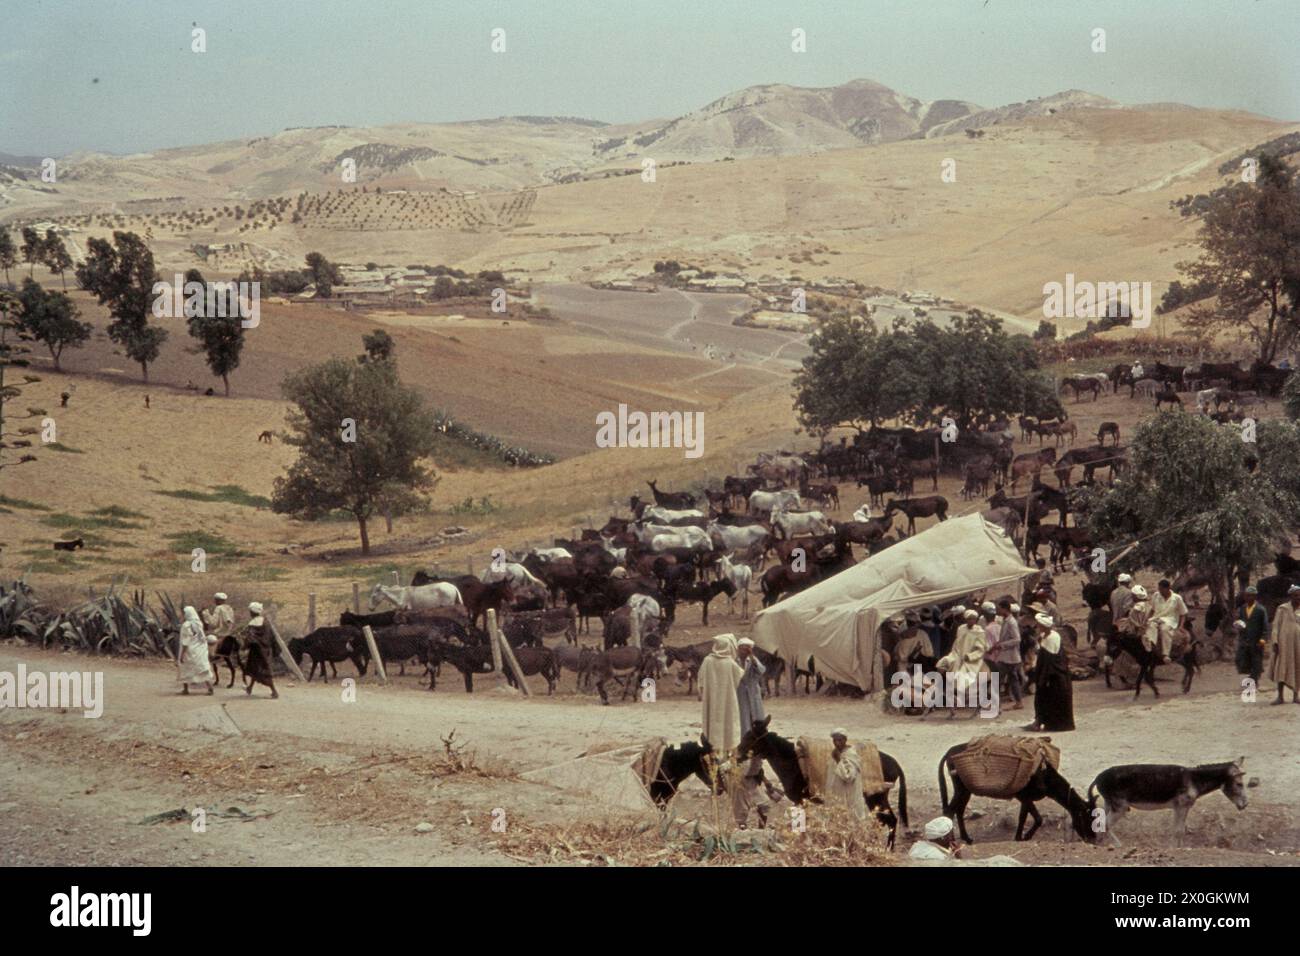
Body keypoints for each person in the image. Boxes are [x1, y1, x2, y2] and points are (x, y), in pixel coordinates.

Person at [1026, 613, 1074, 732]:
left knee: (1050, 698)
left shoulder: (1053, 638)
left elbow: (1050, 660)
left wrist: (1043, 677)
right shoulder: (1045, 636)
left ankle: (1051, 723)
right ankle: (1041, 721)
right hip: (1046, 673)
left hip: (1054, 675)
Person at [698, 634, 744, 756]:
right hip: (728, 700)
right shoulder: (731, 663)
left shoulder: (707, 661)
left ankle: (713, 751)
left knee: (712, 722)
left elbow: (701, 681)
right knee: (729, 722)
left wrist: (704, 693)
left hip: (711, 700)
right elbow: (740, 678)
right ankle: (728, 752)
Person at [938, 609, 988, 715]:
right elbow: (957, 645)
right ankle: (952, 707)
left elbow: (981, 649)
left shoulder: (979, 632)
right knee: (944, 667)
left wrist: (970, 656)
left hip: (972, 661)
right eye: (969, 619)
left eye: (973, 619)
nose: (971, 621)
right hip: (957, 657)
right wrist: (953, 656)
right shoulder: (961, 629)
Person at [989, 599, 1024, 711]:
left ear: (1005, 609)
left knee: (997, 679)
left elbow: (1017, 639)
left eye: (999, 608)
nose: (998, 611)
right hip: (1008, 657)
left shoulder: (1011, 622)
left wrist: (1001, 645)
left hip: (1009, 657)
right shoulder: (1006, 620)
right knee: (1012, 679)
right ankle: (1018, 702)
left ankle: (996, 704)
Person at [825, 729, 868, 821]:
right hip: (837, 795)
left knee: (851, 819)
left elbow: (848, 776)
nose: (837, 743)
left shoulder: (850, 754)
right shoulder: (836, 753)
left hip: (849, 795)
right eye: (834, 740)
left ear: (845, 740)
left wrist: (838, 760)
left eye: (839, 740)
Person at [240, 601, 279, 699]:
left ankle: (274, 691)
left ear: (252, 612)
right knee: (257, 670)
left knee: (261, 670)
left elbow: (250, 638)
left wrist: (244, 646)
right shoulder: (265, 621)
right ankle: (250, 688)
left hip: (257, 652)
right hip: (266, 650)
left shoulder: (253, 624)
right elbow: (272, 636)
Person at [1269, 584, 1300, 705]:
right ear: (1291, 596)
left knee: (1297, 667)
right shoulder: (1282, 609)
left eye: (1299, 596)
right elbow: (1275, 626)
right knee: (1281, 667)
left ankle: (1295, 696)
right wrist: (1275, 641)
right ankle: (1280, 697)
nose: (1298, 598)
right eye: (1296, 595)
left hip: (1298, 645)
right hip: (1284, 643)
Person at [176, 606, 214, 696]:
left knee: (185, 667)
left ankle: (185, 689)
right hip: (199, 649)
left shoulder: (186, 625)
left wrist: (182, 654)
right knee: (202, 668)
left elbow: (186, 641)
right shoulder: (198, 623)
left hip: (189, 650)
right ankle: (210, 687)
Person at [1235, 586, 1268, 685]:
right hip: (1245, 639)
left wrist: (1262, 640)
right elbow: (1240, 621)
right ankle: (1253, 677)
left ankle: (1254, 680)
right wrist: (1238, 625)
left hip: (1257, 639)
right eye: (1247, 596)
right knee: (1243, 659)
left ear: (1255, 597)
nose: (1248, 598)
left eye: (1251, 596)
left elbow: (1265, 627)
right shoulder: (1242, 609)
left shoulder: (1260, 610)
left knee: (1256, 660)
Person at [1151, 579, 1189, 663]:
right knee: (1150, 627)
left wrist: (1181, 626)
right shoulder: (1156, 595)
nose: (1160, 591)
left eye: (1162, 589)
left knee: (1164, 630)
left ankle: (1166, 654)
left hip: (1169, 620)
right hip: (1156, 618)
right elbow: (1152, 610)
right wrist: (1147, 619)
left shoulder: (1176, 598)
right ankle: (1151, 648)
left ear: (1168, 588)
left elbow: (1183, 613)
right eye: (1159, 589)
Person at [735, 637, 766, 735]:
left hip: (753, 691)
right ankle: (744, 737)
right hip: (740, 692)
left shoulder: (752, 660)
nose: (744, 651)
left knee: (756, 715)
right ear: (738, 649)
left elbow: (761, 670)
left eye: (747, 649)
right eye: (743, 649)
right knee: (743, 716)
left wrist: (752, 657)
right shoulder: (734, 660)